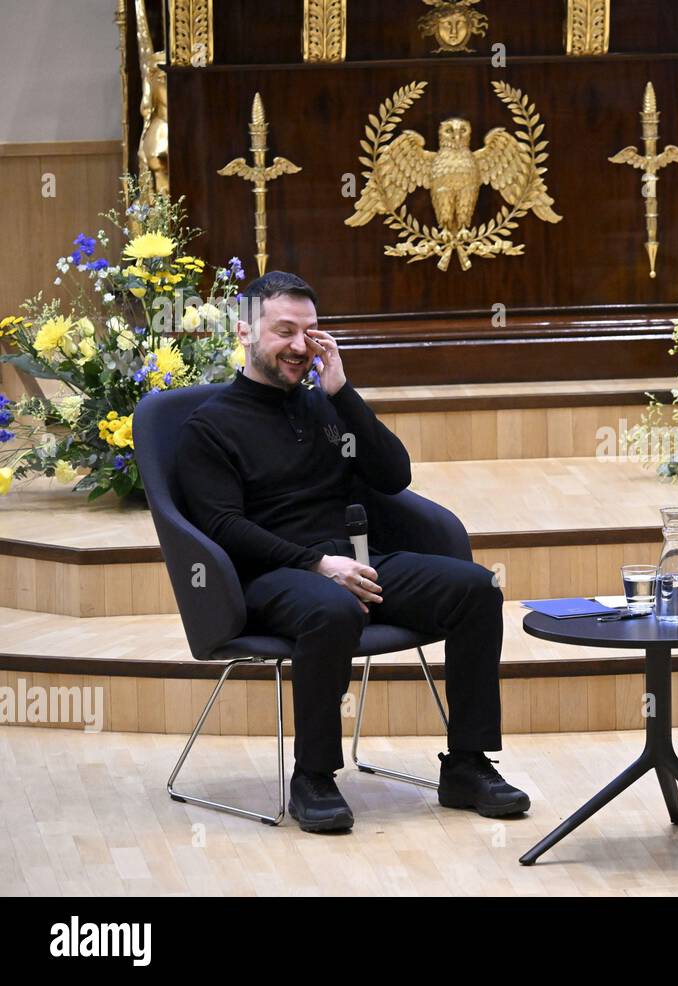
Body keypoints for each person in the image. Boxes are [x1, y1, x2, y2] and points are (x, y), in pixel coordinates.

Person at [176, 271, 529, 833]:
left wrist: (342, 392)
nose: (299, 346)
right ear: (244, 332)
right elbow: (222, 526)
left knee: (477, 588)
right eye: (284, 331)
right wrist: (316, 564)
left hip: (357, 560)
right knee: (331, 608)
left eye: (311, 333)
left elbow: (393, 475)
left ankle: (467, 763)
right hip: (272, 575)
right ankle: (313, 776)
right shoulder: (209, 426)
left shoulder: (322, 406)